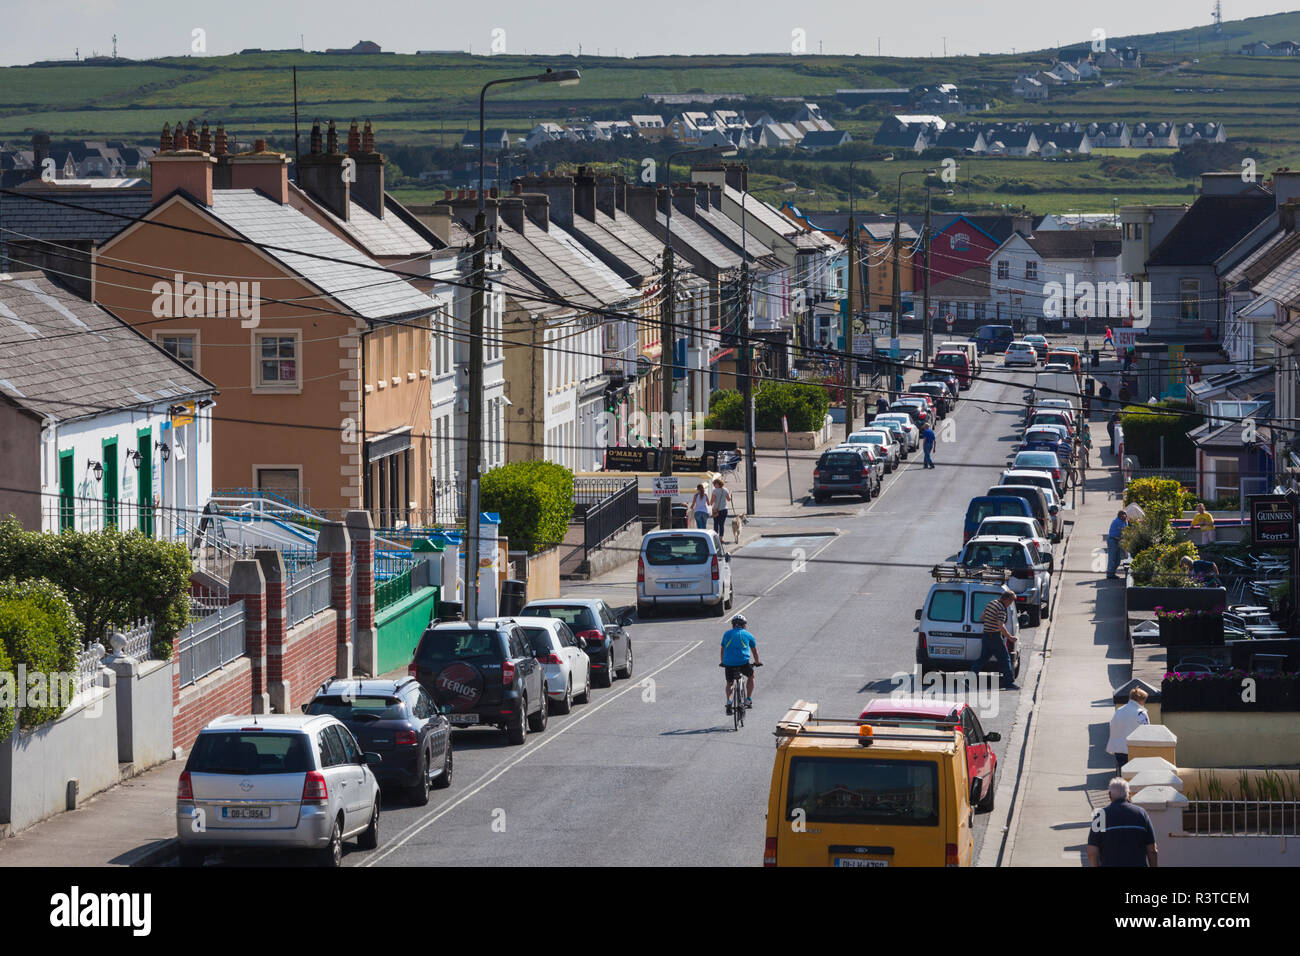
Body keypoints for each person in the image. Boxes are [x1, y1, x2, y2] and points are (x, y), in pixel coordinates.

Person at [1086, 777, 1158, 868]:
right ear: (1128, 794)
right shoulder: (1141, 814)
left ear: (1109, 795)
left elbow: (1092, 852)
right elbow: (1152, 850)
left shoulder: (1101, 816)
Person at [975, 587, 1020, 690]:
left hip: (986, 635)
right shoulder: (1001, 609)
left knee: (982, 659)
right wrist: (1009, 637)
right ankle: (1009, 683)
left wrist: (990, 621)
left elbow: (982, 617)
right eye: (1011, 601)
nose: (1011, 603)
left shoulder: (992, 603)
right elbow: (1001, 625)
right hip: (994, 637)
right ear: (1007, 599)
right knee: (1005, 658)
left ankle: (968, 680)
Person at [720, 613, 761, 715]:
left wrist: (722, 662)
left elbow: (722, 650)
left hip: (728, 663)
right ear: (744, 625)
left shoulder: (726, 634)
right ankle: (748, 699)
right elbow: (754, 652)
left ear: (733, 625)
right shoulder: (748, 635)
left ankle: (729, 702)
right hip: (743, 663)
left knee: (729, 683)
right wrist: (757, 662)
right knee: (751, 676)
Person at [1106, 687, 1150, 773]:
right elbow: (1146, 731)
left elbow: (1113, 726)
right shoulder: (1140, 713)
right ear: (1140, 700)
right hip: (1134, 749)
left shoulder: (1119, 710)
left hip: (1118, 748)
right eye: (1144, 700)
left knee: (1124, 774)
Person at [1106, 509, 1129, 579]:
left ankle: (1112, 572)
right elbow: (1124, 531)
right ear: (1121, 516)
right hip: (1113, 541)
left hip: (1118, 541)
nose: (1126, 516)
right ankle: (1110, 574)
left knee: (1118, 559)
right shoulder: (1117, 522)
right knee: (1112, 558)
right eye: (1125, 515)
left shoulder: (1124, 521)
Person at [710, 476, 733, 542]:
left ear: (717, 484)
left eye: (714, 484)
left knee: (716, 524)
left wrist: (709, 508)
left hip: (716, 510)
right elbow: (729, 500)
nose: (714, 485)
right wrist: (730, 494)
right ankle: (721, 538)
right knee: (721, 524)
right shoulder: (725, 490)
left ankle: (715, 538)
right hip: (724, 510)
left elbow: (712, 501)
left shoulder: (715, 491)